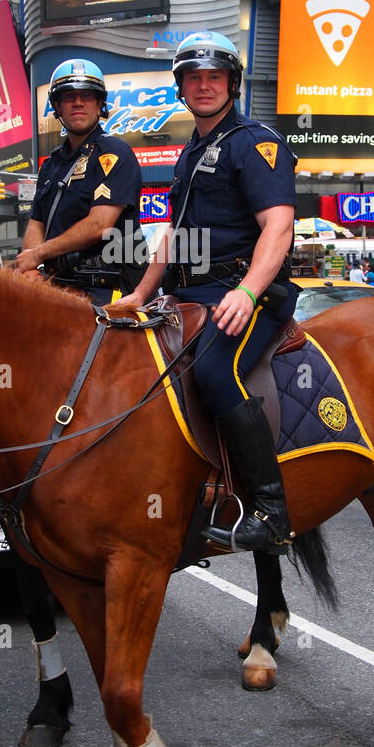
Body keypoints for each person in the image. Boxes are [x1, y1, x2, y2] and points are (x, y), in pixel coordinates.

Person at [110, 31, 297, 554]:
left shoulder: (256, 142)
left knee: (215, 371)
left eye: (215, 76)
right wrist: (141, 295)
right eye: (194, 77)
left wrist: (248, 292)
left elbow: (277, 227)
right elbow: (173, 237)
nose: (204, 86)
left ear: (232, 83)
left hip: (243, 292)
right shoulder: (193, 151)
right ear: (181, 87)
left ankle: (269, 510)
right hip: (192, 295)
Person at [17, 59, 144, 304]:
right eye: (68, 97)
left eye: (86, 95)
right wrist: (31, 270)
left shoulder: (115, 153)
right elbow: (37, 224)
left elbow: (99, 224)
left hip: (106, 289)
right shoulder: (51, 164)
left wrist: (38, 254)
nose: (77, 103)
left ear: (99, 105)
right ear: (57, 107)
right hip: (55, 285)